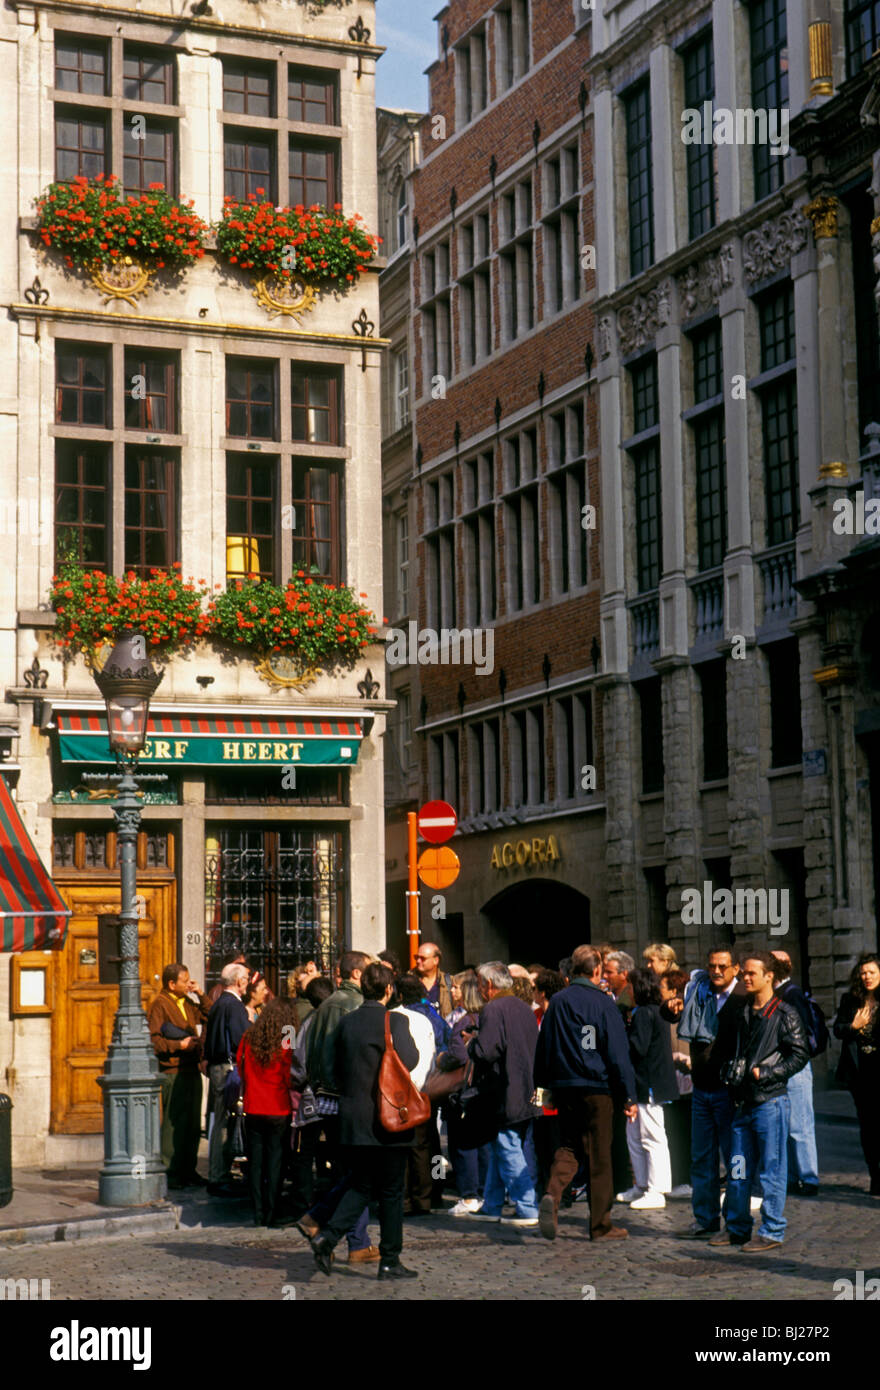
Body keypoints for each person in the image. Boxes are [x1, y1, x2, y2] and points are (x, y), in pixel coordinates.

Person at [309, 962, 420, 1281]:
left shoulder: (346, 1022)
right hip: (389, 1117)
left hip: (353, 1117)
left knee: (361, 1183)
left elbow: (329, 1067)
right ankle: (390, 1259)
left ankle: (328, 1237)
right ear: (389, 989)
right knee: (391, 1190)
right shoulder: (394, 1020)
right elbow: (410, 1060)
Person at [534, 945, 638, 1242]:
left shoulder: (557, 1003)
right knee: (599, 1156)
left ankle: (552, 1195)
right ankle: (600, 1226)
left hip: (565, 1087)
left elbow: (544, 1048)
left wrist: (542, 1090)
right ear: (595, 971)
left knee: (568, 1147)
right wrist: (629, 1096)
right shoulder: (603, 1003)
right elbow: (618, 1053)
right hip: (597, 1089)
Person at [708, 952, 809, 1251]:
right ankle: (737, 1226)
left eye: (752, 973)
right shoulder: (740, 1012)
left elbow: (799, 1054)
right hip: (742, 1101)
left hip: (770, 1101)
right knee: (737, 1168)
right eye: (744, 974)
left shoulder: (785, 1013)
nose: (745, 978)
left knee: (771, 1169)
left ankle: (772, 1230)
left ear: (769, 976)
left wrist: (767, 1073)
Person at [300, 951, 376, 1261]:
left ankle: (356, 1241)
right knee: (359, 1174)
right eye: (369, 971)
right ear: (357, 974)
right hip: (345, 1100)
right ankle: (320, 1221)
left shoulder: (328, 1004)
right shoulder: (352, 1004)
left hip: (330, 1098)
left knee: (351, 1173)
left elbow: (315, 1055)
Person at [671, 945, 748, 1239]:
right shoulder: (698, 991)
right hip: (701, 1088)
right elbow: (674, 1011)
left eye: (722, 967)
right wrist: (670, 1008)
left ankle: (735, 1221)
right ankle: (705, 1219)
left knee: (734, 1158)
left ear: (735, 969)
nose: (716, 971)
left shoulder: (743, 997)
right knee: (701, 1158)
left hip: (728, 1091)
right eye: (712, 965)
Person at [464, 962, 540, 1226]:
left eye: (479, 984)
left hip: (506, 1089)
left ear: (488, 985)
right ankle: (493, 1205)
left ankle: (527, 1206)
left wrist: (470, 1043)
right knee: (503, 1146)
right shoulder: (524, 1007)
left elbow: (487, 1051)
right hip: (527, 1088)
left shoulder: (493, 1008)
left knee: (507, 1144)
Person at [148, 963, 212, 1190]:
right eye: (184, 980)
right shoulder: (160, 1005)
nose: (188, 983)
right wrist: (179, 1045)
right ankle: (171, 1171)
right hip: (173, 1071)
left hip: (191, 1068)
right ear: (171, 984)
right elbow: (154, 1042)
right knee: (174, 1124)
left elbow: (209, 1014)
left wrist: (201, 994)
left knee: (193, 1123)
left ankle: (188, 1168)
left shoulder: (187, 1002)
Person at [619, 968, 678, 1209]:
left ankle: (657, 1188)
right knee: (634, 1135)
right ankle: (642, 1184)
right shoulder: (651, 1011)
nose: (628, 991)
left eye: (630, 987)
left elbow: (637, 1048)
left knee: (652, 1137)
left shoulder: (644, 1013)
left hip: (649, 1083)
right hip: (643, 1083)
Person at [237, 998, 298, 1226]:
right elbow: (291, 1071)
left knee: (255, 1161)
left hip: (254, 1105)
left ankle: (258, 1210)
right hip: (278, 1106)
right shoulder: (287, 1036)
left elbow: (241, 1068)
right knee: (275, 1161)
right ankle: (272, 1210)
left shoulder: (249, 1036)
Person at [440, 972, 491, 1216]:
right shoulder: (485, 1017)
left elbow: (459, 1056)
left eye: (458, 987)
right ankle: (483, 1191)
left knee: (463, 1144)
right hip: (483, 1090)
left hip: (464, 1092)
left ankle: (470, 1194)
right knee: (482, 1143)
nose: (452, 991)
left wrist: (442, 1059)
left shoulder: (463, 1021)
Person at [770, 950, 819, 1197]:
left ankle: (808, 1177)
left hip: (796, 1068)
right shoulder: (779, 993)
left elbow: (800, 1032)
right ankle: (792, 1176)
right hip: (784, 1067)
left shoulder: (792, 994)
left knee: (800, 1125)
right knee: (786, 1125)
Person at [833, 953, 880, 1195]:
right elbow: (838, 1030)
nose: (867, 977)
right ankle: (875, 1175)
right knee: (869, 1127)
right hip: (860, 1073)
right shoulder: (850, 1000)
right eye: (863, 973)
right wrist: (853, 1026)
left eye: (871, 972)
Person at [393, 974, 438, 1218]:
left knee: (403, 1148)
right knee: (422, 1148)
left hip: (401, 1091)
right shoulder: (425, 1019)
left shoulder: (395, 1018)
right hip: (422, 1090)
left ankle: (405, 1199)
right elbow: (431, 1054)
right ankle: (425, 1198)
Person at [203, 961, 250, 1196]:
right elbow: (242, 1039)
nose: (249, 982)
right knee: (224, 1122)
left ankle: (219, 1173)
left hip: (218, 1067)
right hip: (228, 1068)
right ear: (239, 981)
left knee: (221, 1120)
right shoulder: (234, 1006)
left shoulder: (219, 1004)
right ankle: (219, 1175)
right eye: (247, 978)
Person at [657, 968, 693, 1196]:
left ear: (673, 991)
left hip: (690, 1082)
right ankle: (679, 1178)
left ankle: (687, 1179)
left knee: (686, 1133)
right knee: (675, 1132)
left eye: (661, 988)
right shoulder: (663, 1015)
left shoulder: (690, 1013)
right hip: (673, 1083)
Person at [414, 942, 454, 1019]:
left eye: (423, 958)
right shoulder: (408, 980)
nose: (418, 961)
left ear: (436, 960)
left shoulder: (449, 981)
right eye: (416, 957)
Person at [603, 951, 636, 1024]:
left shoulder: (630, 1000)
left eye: (609, 972)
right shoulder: (609, 996)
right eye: (604, 972)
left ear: (624, 974)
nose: (604, 976)